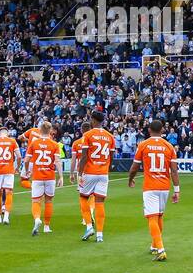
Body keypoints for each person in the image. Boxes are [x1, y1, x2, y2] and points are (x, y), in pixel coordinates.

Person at [127, 120, 179, 261]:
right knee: (159, 216)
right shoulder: (169, 146)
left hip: (150, 187)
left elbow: (134, 167)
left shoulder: (143, 145)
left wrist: (130, 178)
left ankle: (161, 249)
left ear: (149, 130)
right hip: (164, 187)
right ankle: (155, 245)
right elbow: (174, 171)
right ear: (162, 130)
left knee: (152, 217)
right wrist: (177, 190)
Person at [75, 110, 116, 243]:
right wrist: (107, 170)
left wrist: (80, 174)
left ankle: (88, 226)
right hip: (103, 173)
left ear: (92, 120)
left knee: (83, 198)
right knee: (99, 203)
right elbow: (112, 157)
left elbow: (84, 156)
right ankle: (100, 234)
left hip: (90, 172)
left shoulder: (88, 134)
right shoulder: (110, 136)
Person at [24, 121, 62, 236]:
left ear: (40, 130)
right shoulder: (54, 144)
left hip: (37, 176)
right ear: (50, 131)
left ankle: (36, 219)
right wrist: (60, 176)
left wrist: (27, 171)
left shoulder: (34, 144)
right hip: (50, 176)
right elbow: (58, 161)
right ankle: (46, 226)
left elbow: (26, 160)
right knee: (49, 201)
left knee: (36, 200)